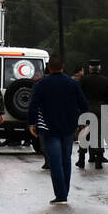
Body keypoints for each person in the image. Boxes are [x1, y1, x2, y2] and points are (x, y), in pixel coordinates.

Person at [28, 57, 89, 204]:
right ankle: (65, 192)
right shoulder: (73, 83)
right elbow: (83, 104)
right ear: (63, 67)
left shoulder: (41, 84)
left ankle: (60, 195)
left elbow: (33, 105)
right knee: (66, 160)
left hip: (49, 128)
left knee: (55, 161)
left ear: (49, 68)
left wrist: (32, 123)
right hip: (69, 127)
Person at [77, 60, 108, 170]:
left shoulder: (83, 80)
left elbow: (79, 96)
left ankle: (81, 159)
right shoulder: (105, 81)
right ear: (99, 69)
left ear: (90, 68)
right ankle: (98, 161)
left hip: (86, 109)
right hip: (101, 109)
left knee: (84, 134)